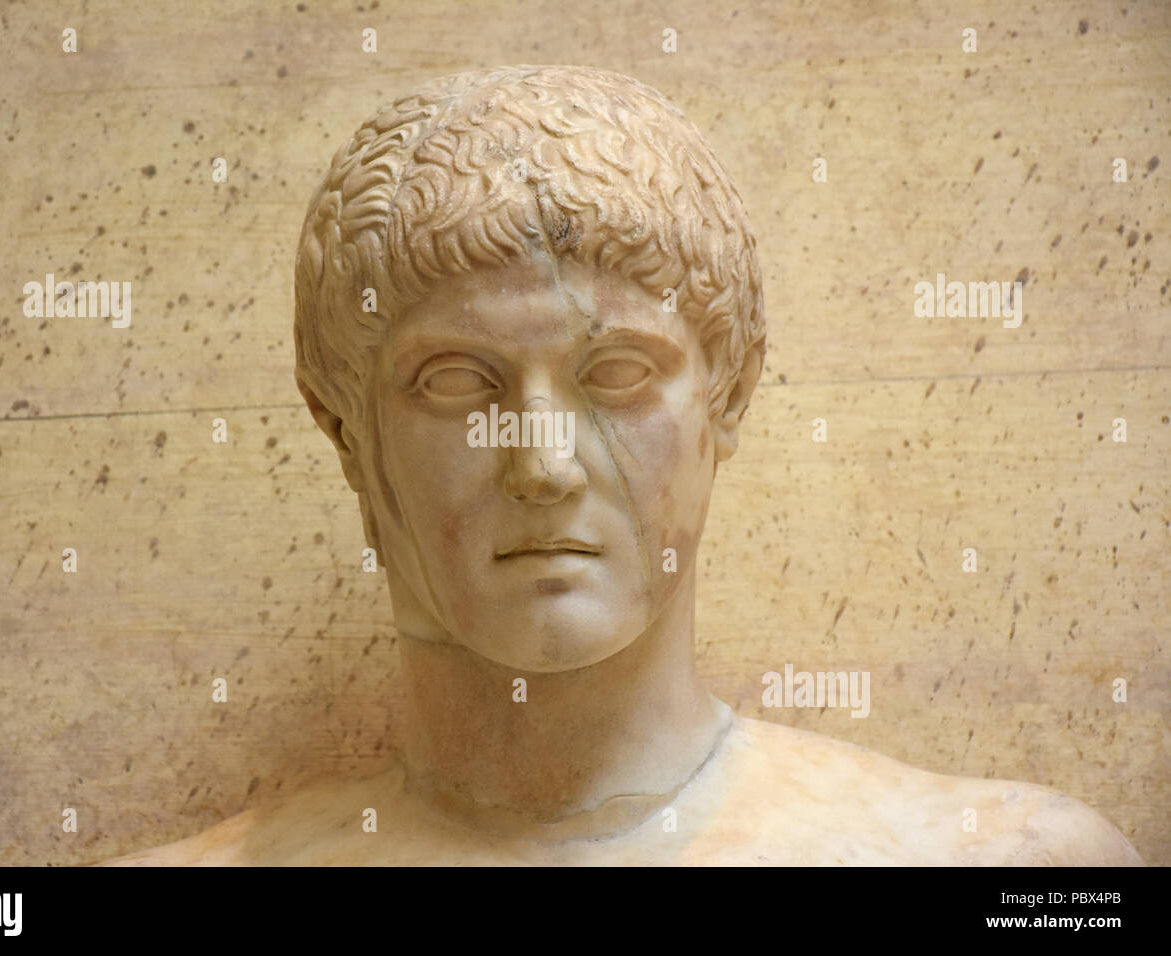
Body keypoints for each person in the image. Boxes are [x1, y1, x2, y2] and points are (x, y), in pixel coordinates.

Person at [110, 65, 1140, 865]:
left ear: (726, 395)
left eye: (616, 372)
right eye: (461, 384)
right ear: (344, 428)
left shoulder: (1009, 867)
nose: (544, 464)